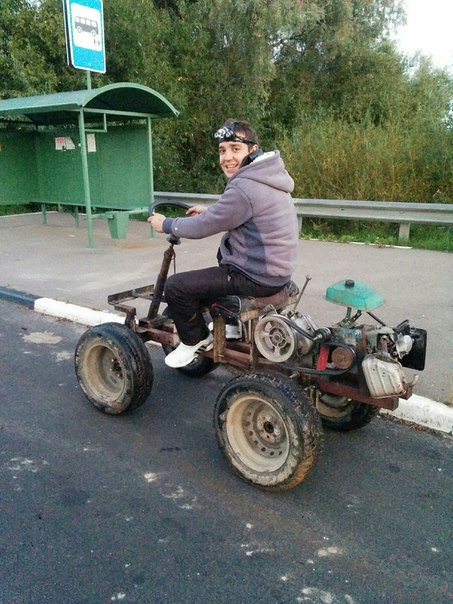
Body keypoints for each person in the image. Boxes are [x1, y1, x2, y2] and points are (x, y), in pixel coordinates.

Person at [148, 119, 299, 368]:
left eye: (235, 149)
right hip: (276, 272)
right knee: (224, 252)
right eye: (222, 150)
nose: (227, 157)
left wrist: (166, 224)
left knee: (176, 287)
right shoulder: (269, 177)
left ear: (253, 149)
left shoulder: (245, 186)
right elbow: (240, 212)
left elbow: (202, 227)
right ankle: (231, 325)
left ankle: (195, 340)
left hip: (256, 277)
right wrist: (210, 211)